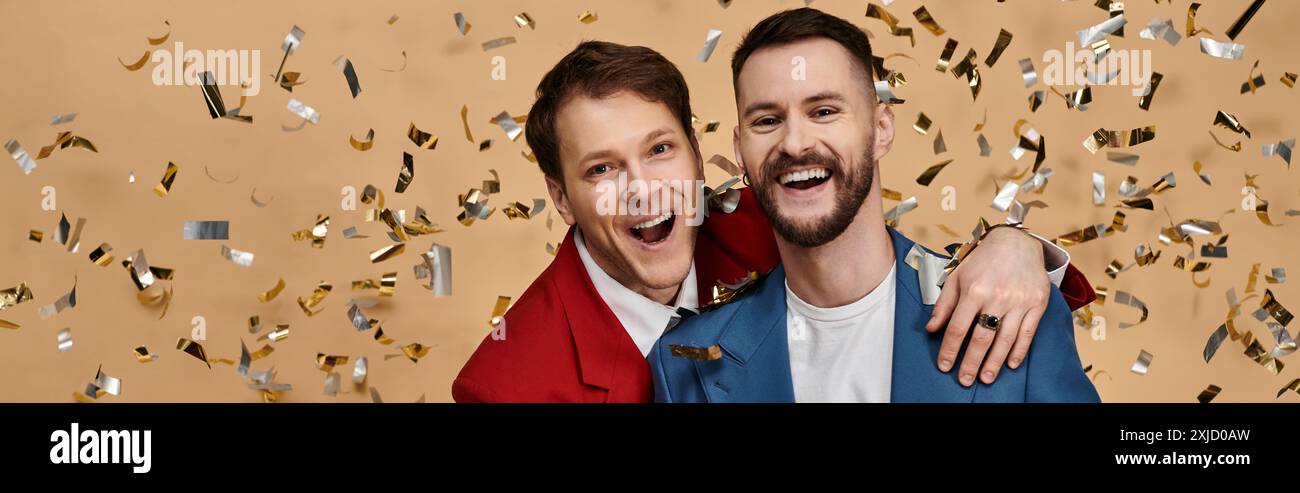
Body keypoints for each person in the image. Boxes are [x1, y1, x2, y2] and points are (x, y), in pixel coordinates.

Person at [454, 39, 1095, 403]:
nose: (643, 192)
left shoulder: (767, 214)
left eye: (659, 151)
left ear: (703, 156)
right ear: (560, 198)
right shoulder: (505, 384)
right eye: (600, 170)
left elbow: (871, 239)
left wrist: (1015, 244)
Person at [649, 8, 1099, 403]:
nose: (795, 143)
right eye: (767, 120)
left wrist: (1015, 241)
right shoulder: (686, 365)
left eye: (824, 111)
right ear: (740, 147)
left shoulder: (1012, 307)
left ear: (881, 129)